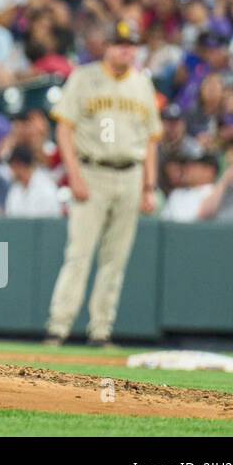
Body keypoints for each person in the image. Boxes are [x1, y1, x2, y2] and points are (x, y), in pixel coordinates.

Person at [45, 21, 162, 347]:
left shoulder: (142, 84)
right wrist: (75, 176)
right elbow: (64, 130)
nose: (125, 49)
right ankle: (58, 327)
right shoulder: (84, 77)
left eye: (130, 44)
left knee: (116, 260)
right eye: (118, 43)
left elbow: (151, 140)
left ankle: (100, 331)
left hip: (131, 173)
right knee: (79, 254)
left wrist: (149, 186)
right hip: (92, 171)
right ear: (106, 46)